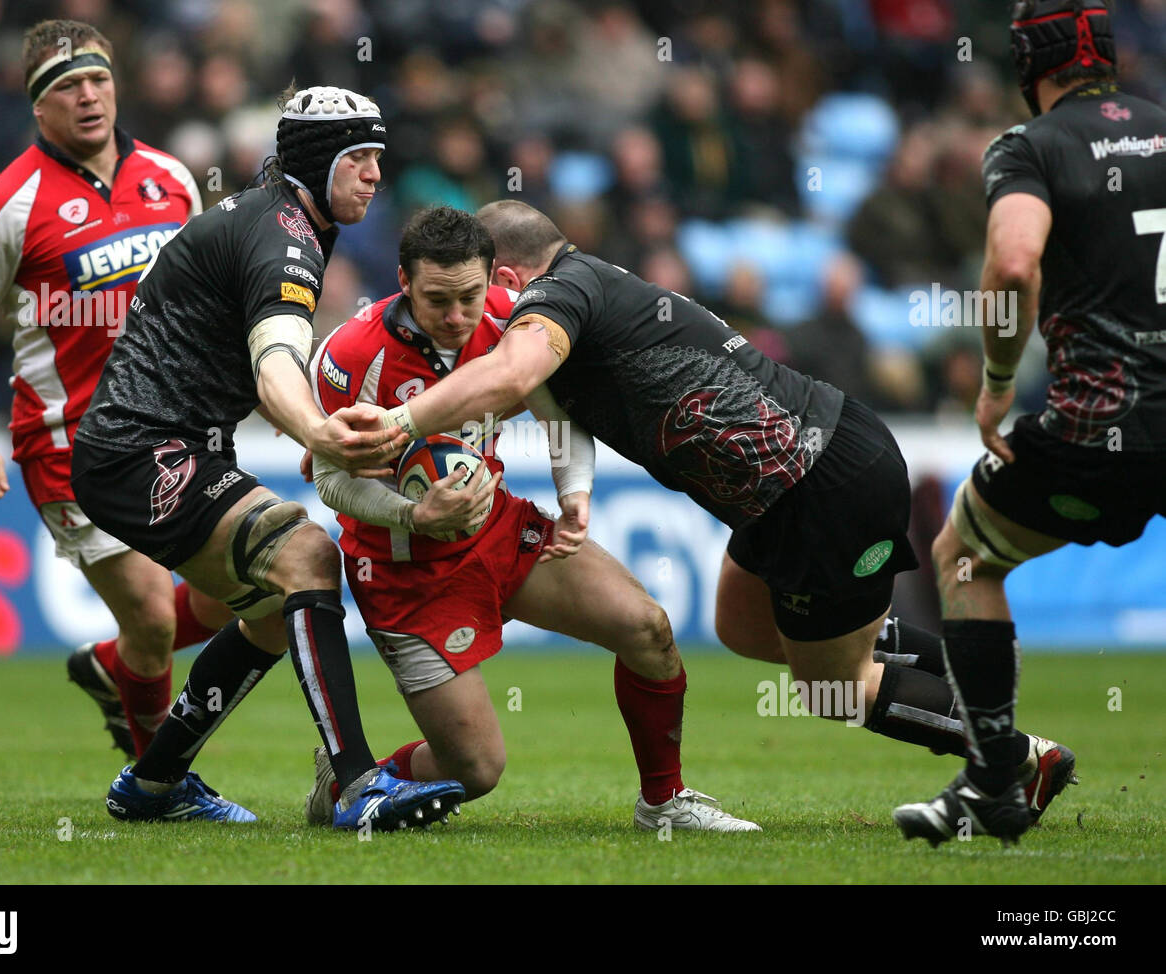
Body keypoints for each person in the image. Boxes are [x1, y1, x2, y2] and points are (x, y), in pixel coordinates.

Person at [372, 199, 1075, 827]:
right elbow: (554, 407)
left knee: (832, 687)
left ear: (506, 281)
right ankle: (965, 686)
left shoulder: (561, 293)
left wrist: (398, 424)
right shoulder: (593, 288)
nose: (472, 316)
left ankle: (1012, 754)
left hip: (820, 483)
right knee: (741, 625)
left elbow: (515, 374)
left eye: (479, 291)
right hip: (795, 483)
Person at [71, 85, 464, 828]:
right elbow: (276, 359)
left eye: (379, 157)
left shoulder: (274, 213)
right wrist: (318, 432)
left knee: (264, 615)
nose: (376, 174)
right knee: (309, 558)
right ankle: (356, 785)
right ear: (317, 162)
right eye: (360, 158)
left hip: (139, 448)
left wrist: (316, 422)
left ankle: (153, 783)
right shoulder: (285, 232)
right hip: (142, 450)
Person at [304, 205, 760, 832]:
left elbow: (557, 411)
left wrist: (574, 489)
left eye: (470, 295)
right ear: (404, 282)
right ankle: (351, 784)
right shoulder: (351, 355)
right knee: (476, 771)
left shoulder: (512, 317)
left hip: (497, 531)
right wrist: (416, 513)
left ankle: (663, 803)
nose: (459, 317)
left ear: (492, 275)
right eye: (439, 300)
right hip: (403, 572)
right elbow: (330, 480)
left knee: (647, 627)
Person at [0, 19, 231, 761]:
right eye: (66, 86)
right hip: (69, 442)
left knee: (232, 596)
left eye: (97, 79)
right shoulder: (10, 201)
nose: (88, 96)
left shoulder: (172, 178)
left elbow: (205, 302)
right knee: (155, 620)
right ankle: (159, 779)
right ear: (39, 106)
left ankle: (108, 666)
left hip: (171, 434)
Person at [895, 0, 1163, 845]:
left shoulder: (1029, 147)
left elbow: (1013, 263)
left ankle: (994, 784)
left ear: (1026, 66)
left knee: (963, 555)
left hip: (1099, 426)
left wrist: (999, 381)